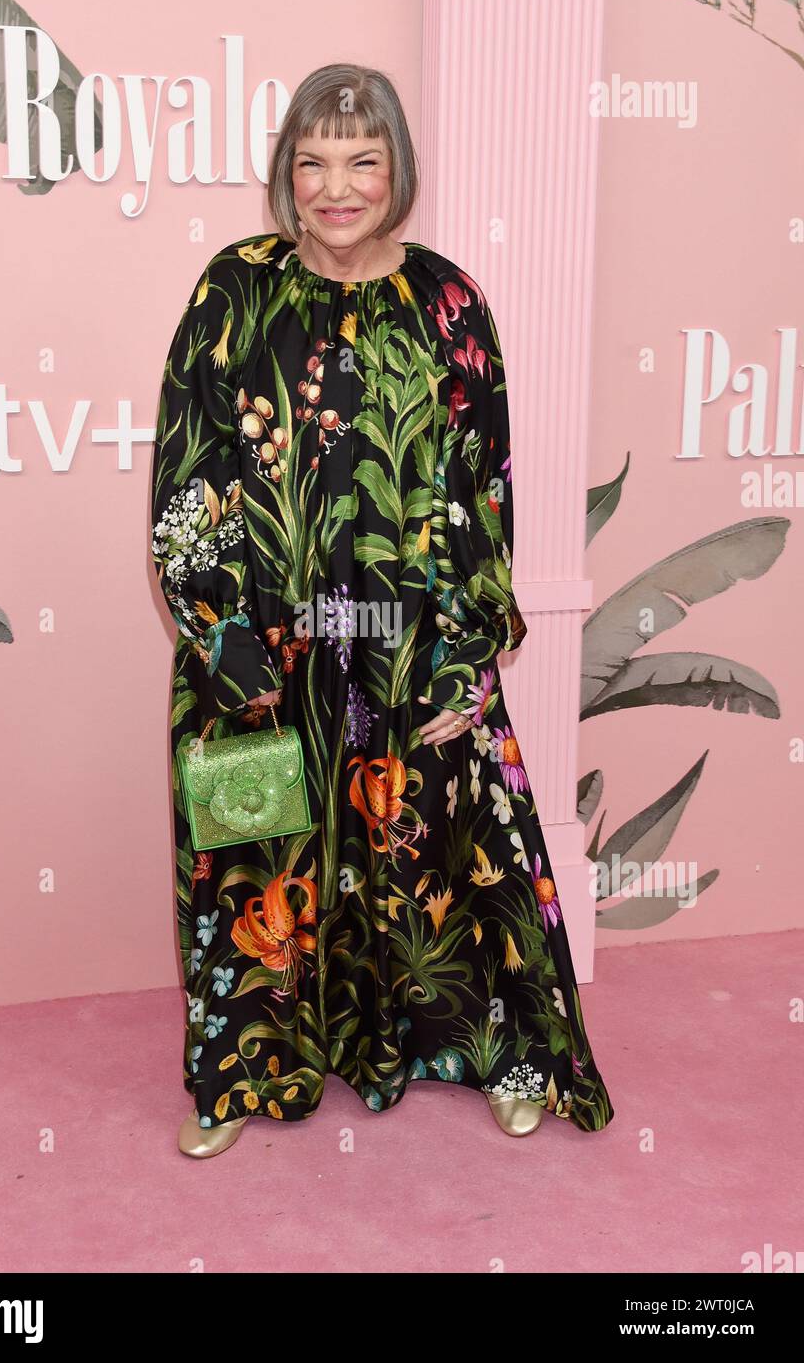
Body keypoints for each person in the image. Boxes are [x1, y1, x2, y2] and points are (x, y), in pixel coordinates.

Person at [150, 63, 614, 1159]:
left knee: (446, 855)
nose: (336, 187)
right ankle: (247, 1073)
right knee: (256, 864)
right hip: (271, 647)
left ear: (396, 168)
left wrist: (466, 653)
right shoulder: (232, 289)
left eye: (361, 161)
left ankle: (496, 1051)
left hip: (411, 643)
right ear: (286, 174)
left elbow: (482, 482)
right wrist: (217, 636)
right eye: (312, 163)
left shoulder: (450, 302)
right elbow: (188, 474)